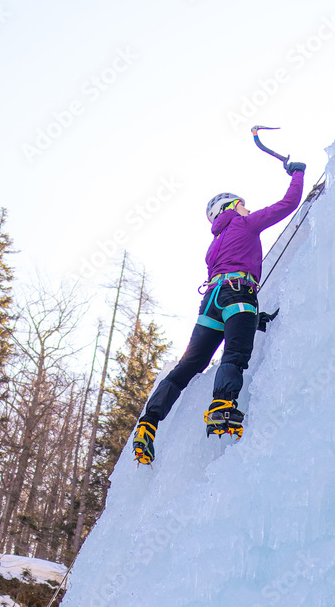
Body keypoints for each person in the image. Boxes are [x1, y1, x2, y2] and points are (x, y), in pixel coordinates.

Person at [132, 161, 306, 464]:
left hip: (211, 302)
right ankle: (222, 407)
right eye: (242, 204)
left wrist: (253, 320)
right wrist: (297, 173)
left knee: (188, 366)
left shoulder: (213, 246)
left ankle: (149, 422)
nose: (247, 208)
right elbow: (288, 204)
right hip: (238, 294)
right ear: (233, 206)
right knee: (235, 354)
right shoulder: (245, 223)